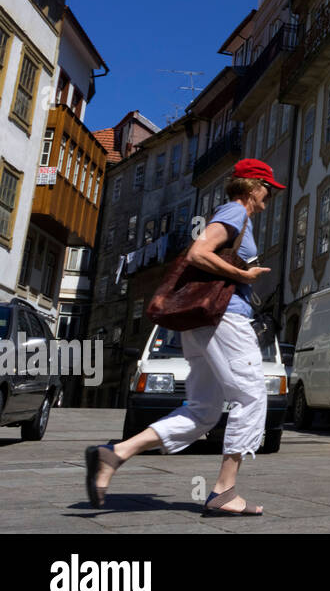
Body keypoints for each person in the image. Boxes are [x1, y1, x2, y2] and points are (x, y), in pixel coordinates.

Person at [84, 159, 285, 516]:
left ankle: (116, 454)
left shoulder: (234, 214)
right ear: (253, 186)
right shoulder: (236, 212)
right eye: (267, 188)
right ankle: (224, 491)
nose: (269, 195)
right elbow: (199, 253)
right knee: (252, 396)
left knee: (203, 411)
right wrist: (244, 275)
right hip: (224, 319)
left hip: (204, 324)